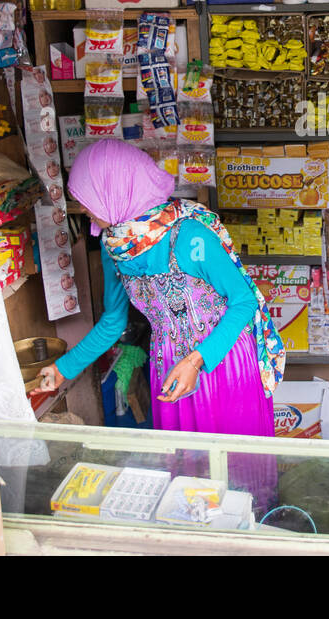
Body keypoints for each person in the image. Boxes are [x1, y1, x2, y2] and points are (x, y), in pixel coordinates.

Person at [37, 140, 285, 449]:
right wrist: (63, 368)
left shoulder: (189, 235)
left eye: (88, 197)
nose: (84, 208)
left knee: (236, 468)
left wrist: (196, 362)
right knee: (187, 474)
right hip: (167, 363)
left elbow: (244, 302)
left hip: (221, 361)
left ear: (116, 188)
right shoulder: (114, 246)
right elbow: (113, 322)